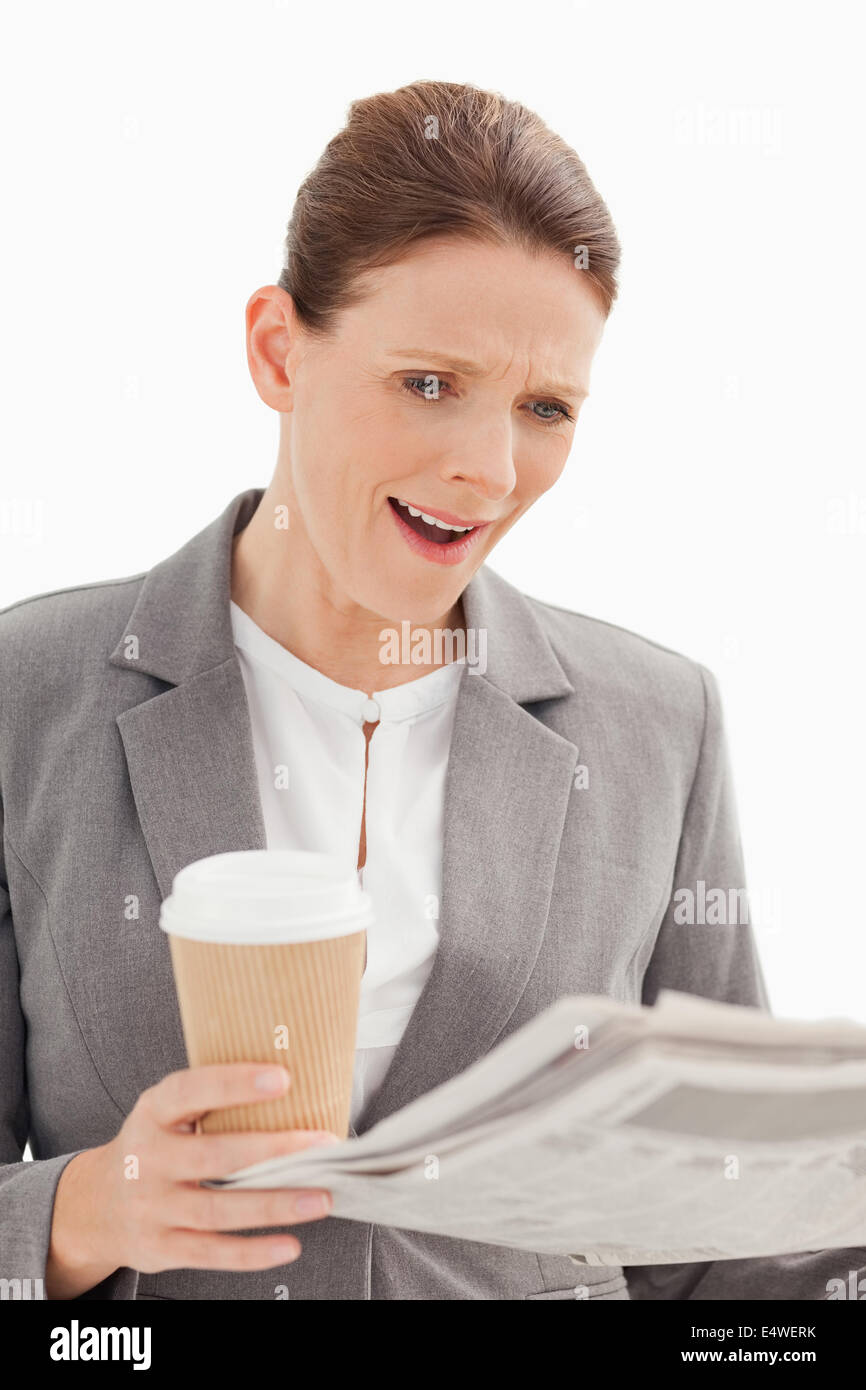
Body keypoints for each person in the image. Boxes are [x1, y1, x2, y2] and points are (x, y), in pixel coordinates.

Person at [1, 79, 862, 1301]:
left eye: (545, 408)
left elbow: (725, 1248)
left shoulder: (659, 722)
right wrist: (78, 1217)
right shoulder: (26, 693)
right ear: (275, 348)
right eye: (426, 383)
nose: (489, 468)